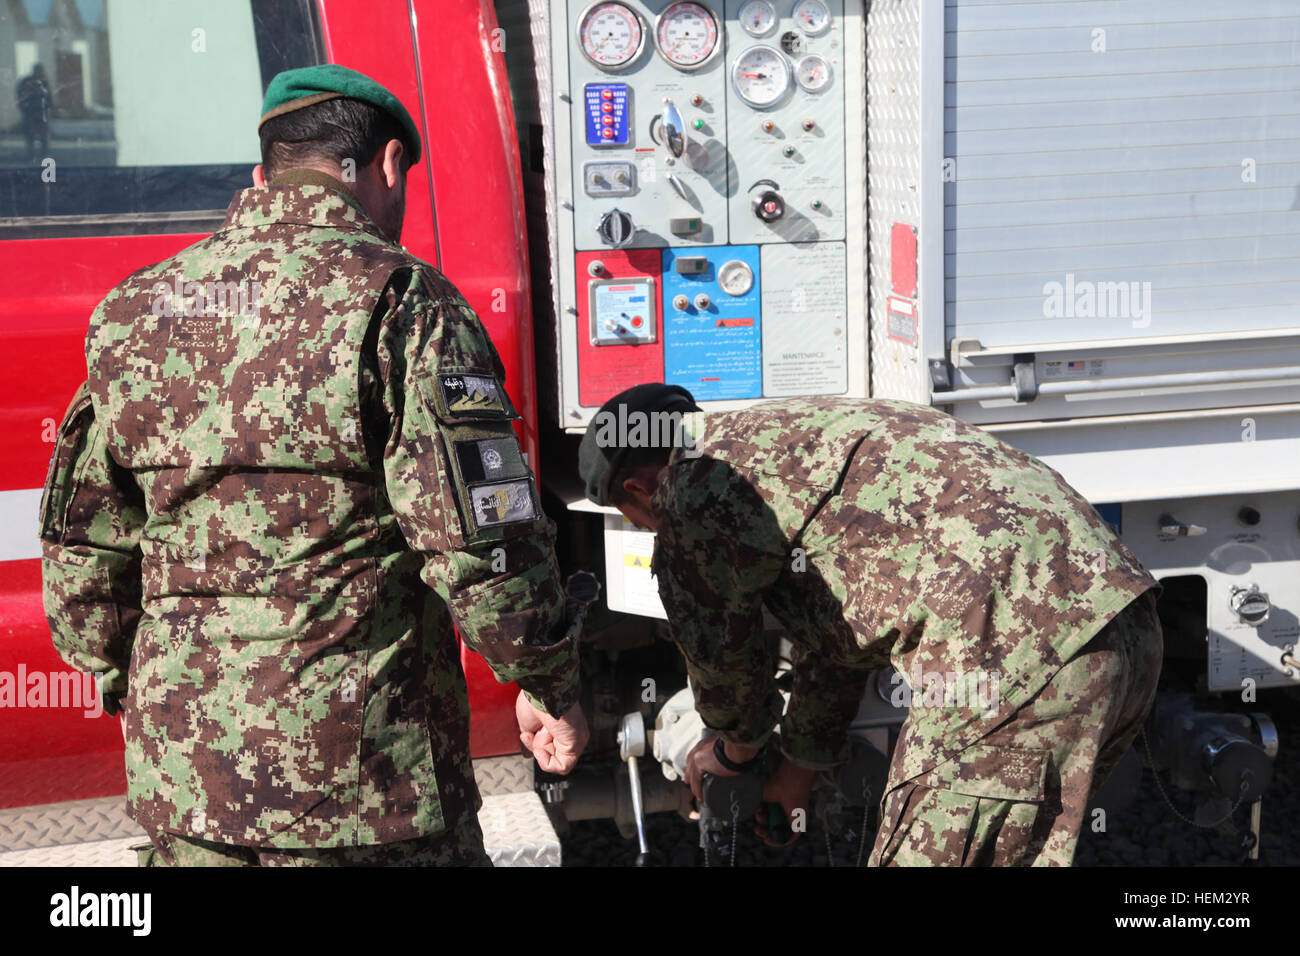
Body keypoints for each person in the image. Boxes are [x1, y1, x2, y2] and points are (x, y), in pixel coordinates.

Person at [39, 64, 588, 867]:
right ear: (389, 164)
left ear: (263, 175)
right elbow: (482, 543)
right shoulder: (404, 302)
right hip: (363, 798)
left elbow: (85, 550)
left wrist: (130, 688)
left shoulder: (134, 308)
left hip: (188, 785)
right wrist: (546, 678)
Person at [578, 383, 1162, 866]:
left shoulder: (691, 488)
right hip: (1122, 617)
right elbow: (838, 637)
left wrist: (731, 751)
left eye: (634, 518)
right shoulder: (803, 429)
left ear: (636, 490)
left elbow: (722, 661)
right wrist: (801, 763)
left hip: (1012, 655)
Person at [16, 63, 51, 162]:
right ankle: (31, 155)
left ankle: (44, 155)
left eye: (41, 71)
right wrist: (24, 108)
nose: (40, 73)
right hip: (30, 113)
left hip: (41, 113)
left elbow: (49, 97)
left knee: (44, 136)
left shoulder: (44, 82)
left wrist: (50, 108)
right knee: (30, 136)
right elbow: (20, 96)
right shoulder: (26, 82)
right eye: (39, 70)